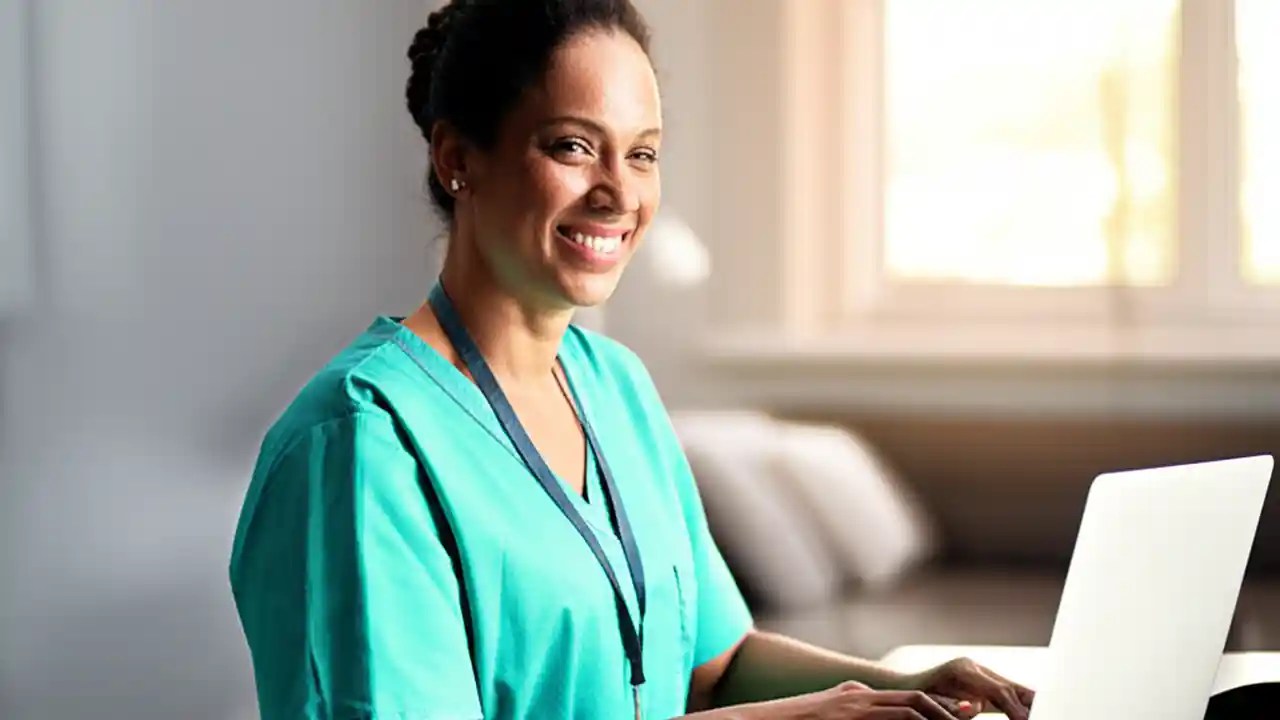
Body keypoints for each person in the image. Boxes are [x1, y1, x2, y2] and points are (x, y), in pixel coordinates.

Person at [228, 1, 1036, 718]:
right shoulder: (362, 445)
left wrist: (908, 686)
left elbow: (715, 667)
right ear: (458, 159)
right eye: (574, 146)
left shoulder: (617, 388)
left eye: (643, 153)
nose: (619, 191)